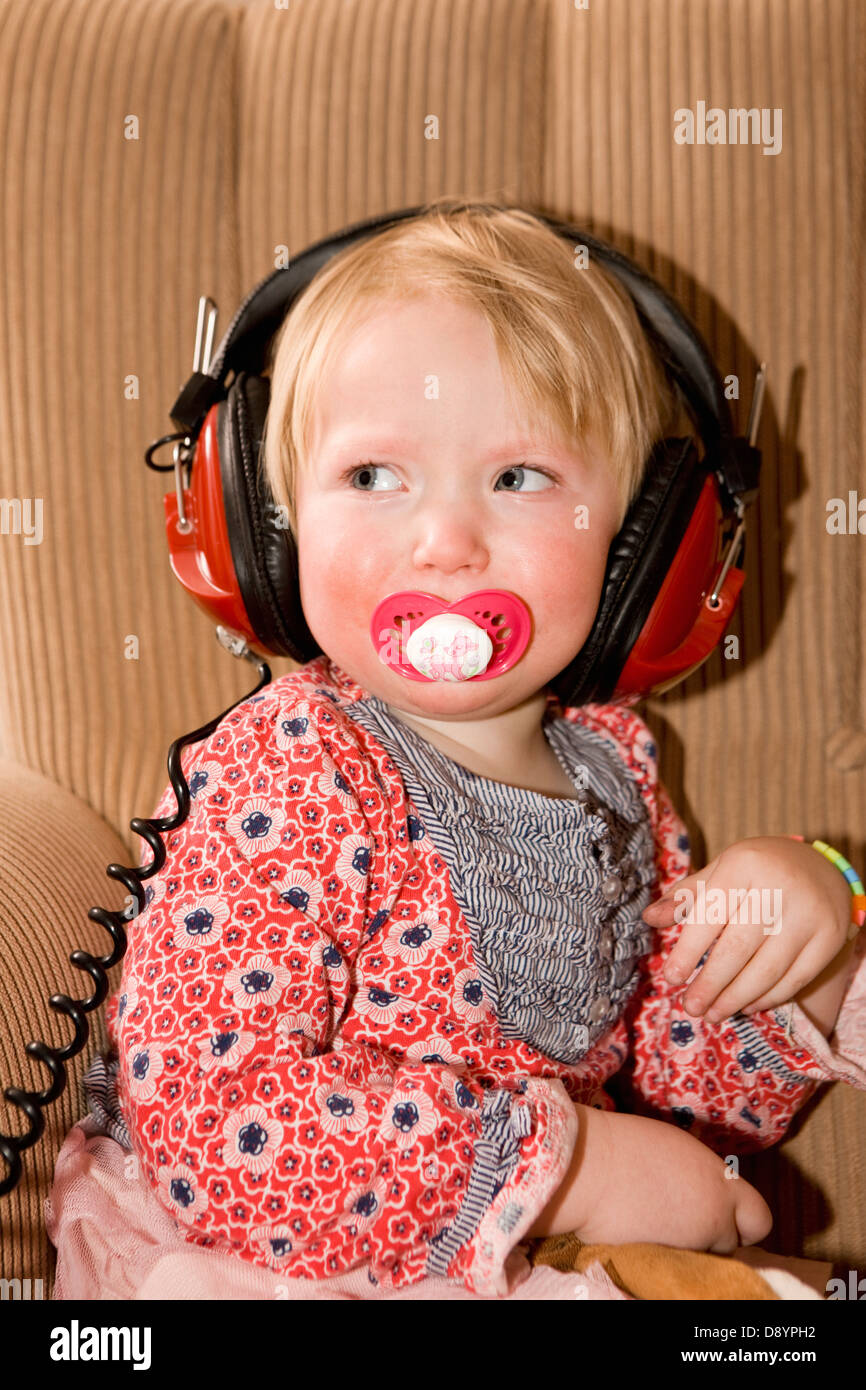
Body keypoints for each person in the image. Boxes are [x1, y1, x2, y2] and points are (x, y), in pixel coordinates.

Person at [107, 199, 866, 1297]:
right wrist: (569, 1171)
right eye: (373, 476)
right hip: (319, 1266)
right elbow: (216, 1125)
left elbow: (690, 1102)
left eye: (518, 479)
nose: (445, 541)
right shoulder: (295, 764)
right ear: (267, 531)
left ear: (641, 551)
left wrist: (800, 937)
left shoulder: (616, 776)